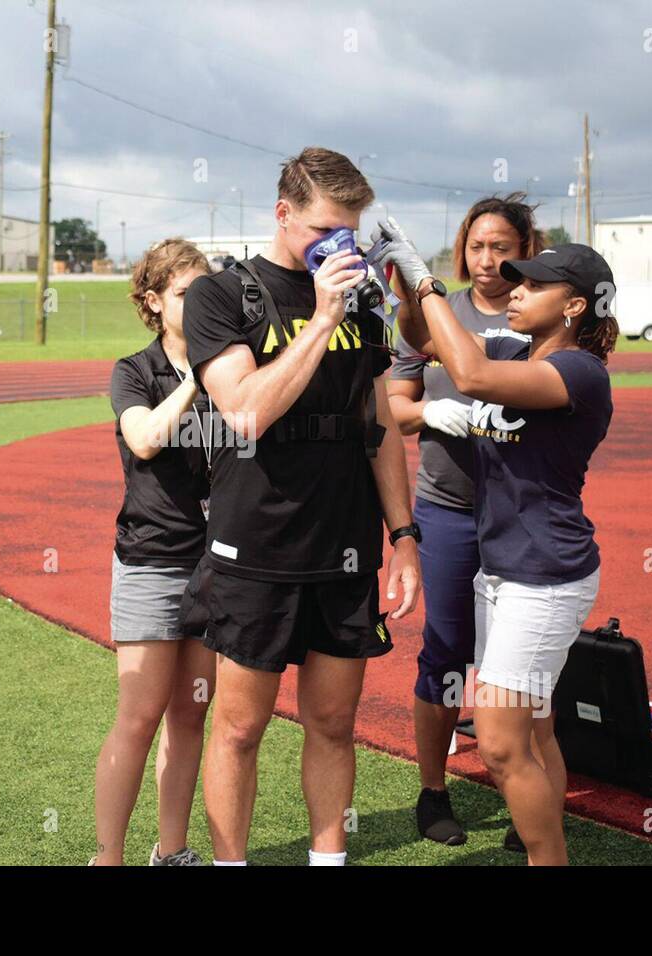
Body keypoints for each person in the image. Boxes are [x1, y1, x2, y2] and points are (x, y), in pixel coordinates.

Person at [182, 147, 420, 867]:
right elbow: (246, 413)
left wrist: (404, 536)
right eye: (323, 228)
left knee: (333, 723)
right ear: (283, 213)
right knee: (240, 726)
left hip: (344, 544)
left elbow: (374, 424)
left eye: (350, 229)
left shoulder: (366, 301)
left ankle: (329, 861)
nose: (338, 244)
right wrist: (320, 319)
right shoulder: (223, 295)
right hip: (255, 544)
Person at [377, 219, 617, 866]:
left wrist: (426, 277)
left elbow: (473, 377)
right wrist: (406, 282)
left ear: (573, 305)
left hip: (543, 574)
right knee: (534, 728)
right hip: (506, 571)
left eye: (534, 284)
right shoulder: (523, 353)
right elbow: (421, 335)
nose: (515, 290)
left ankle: (547, 858)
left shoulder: (579, 372)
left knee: (502, 743)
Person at [386, 194, 541, 846]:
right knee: (445, 655)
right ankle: (432, 792)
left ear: (523, 251)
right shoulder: (433, 315)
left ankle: (521, 796)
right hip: (447, 509)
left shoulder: (537, 312)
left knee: (517, 661)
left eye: (501, 247)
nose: (486, 260)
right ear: (461, 249)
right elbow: (392, 404)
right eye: (477, 246)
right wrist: (429, 416)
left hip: (520, 513)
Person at [92, 239, 215, 866]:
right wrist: (198, 379)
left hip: (215, 564)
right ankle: (107, 857)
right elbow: (143, 439)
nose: (198, 305)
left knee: (191, 716)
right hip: (151, 559)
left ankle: (173, 851)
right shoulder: (134, 370)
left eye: (206, 293)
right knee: (139, 718)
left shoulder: (233, 367)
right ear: (153, 301)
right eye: (185, 294)